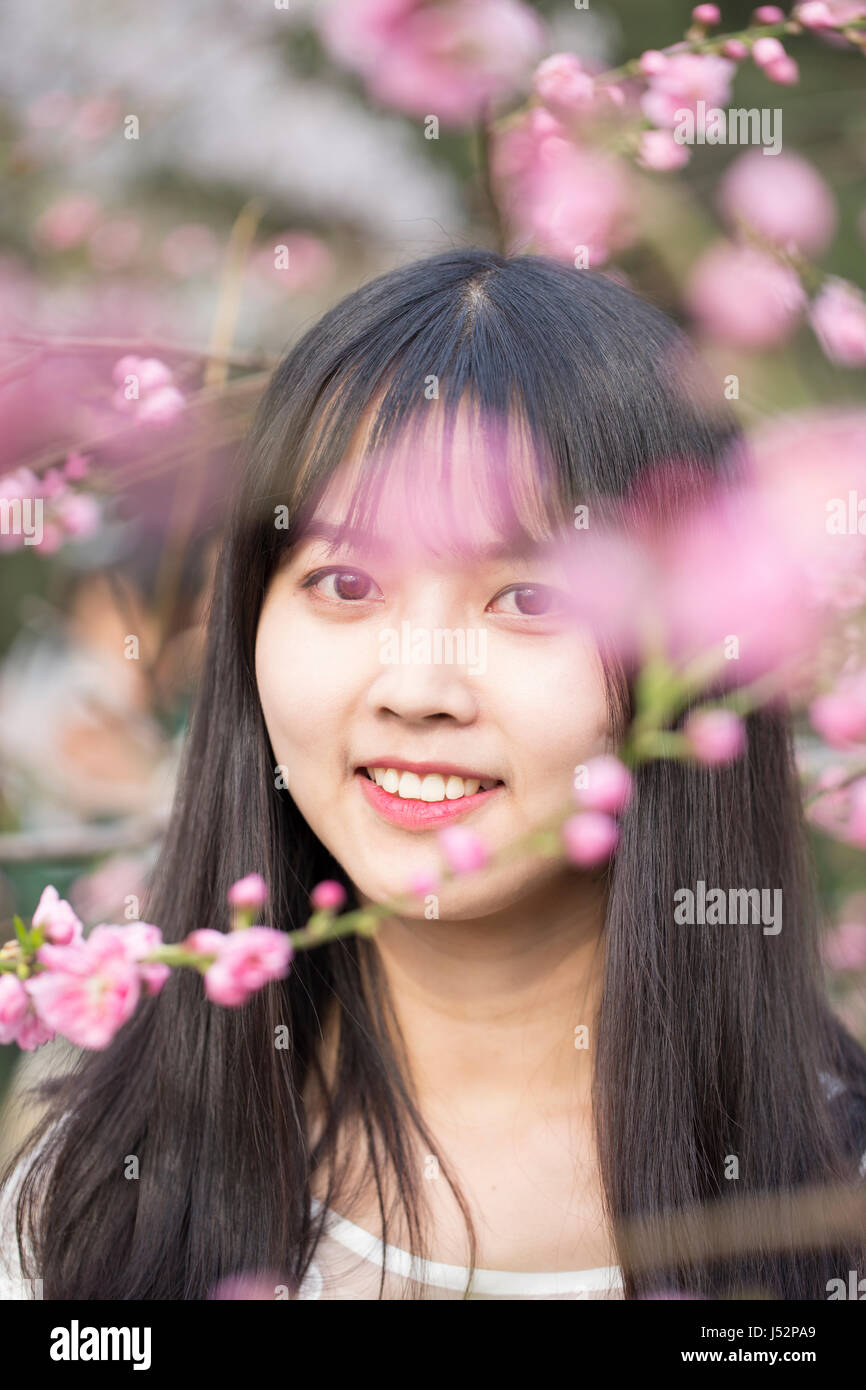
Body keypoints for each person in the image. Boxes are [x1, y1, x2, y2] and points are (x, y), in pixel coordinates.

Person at [3, 248, 865, 1300]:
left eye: (531, 599)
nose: (417, 688)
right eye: (345, 580)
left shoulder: (837, 1212)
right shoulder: (88, 1209)